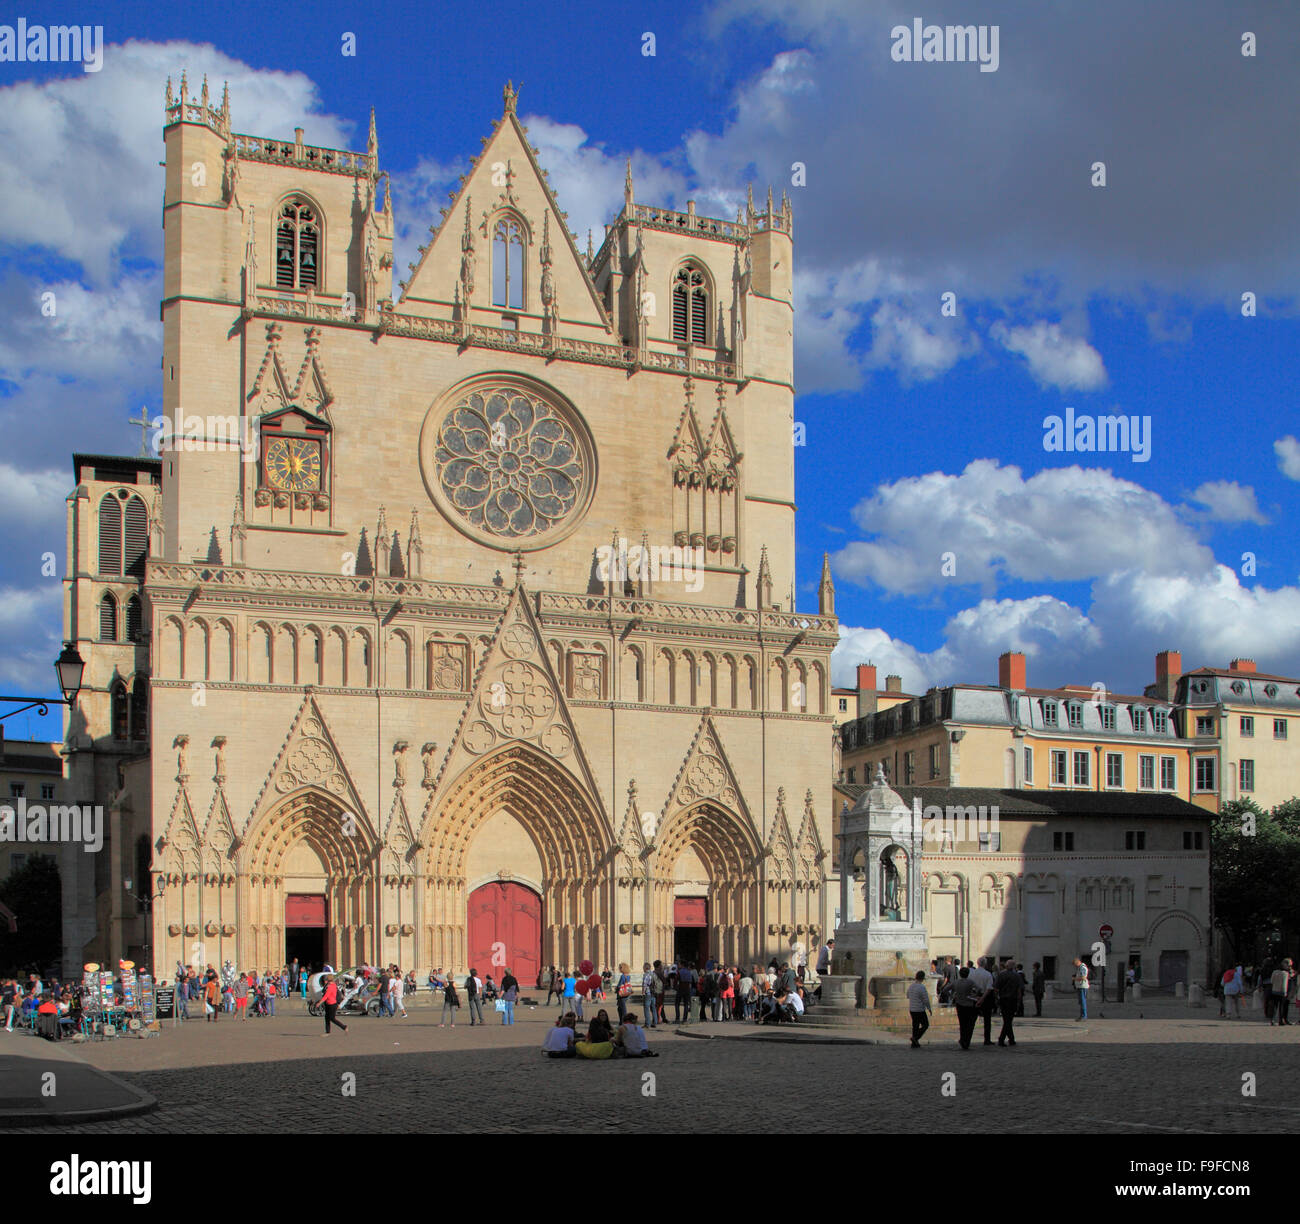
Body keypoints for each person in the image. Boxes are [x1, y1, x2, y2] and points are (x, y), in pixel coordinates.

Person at [951, 966, 980, 1050]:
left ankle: (962, 1039)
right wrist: (973, 995)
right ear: (968, 974)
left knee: (962, 1023)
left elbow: (946, 989)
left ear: (960, 974)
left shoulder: (956, 982)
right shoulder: (970, 982)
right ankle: (966, 1041)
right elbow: (979, 989)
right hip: (969, 1004)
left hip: (959, 1004)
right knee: (969, 1024)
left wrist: (953, 995)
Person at [969, 957, 996, 1045]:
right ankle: (987, 1039)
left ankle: (968, 1038)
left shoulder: (972, 973)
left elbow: (970, 986)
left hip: (974, 998)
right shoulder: (988, 974)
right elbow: (989, 989)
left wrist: (976, 998)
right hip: (985, 999)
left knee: (972, 1020)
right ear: (985, 964)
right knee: (987, 1020)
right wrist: (982, 998)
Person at [996, 959, 1021, 1047]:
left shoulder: (1001, 974)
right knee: (1008, 1020)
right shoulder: (1017, 976)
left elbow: (996, 987)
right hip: (1012, 999)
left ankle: (1011, 1039)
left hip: (1003, 999)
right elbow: (1019, 989)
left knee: (1007, 1020)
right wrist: (1019, 1001)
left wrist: (997, 998)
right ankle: (1002, 1039)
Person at [907, 970, 932, 1048]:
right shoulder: (922, 987)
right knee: (925, 1025)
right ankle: (915, 1038)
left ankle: (914, 1043)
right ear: (922, 978)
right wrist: (929, 1008)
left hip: (912, 1009)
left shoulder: (911, 986)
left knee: (915, 1026)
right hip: (919, 1009)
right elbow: (925, 999)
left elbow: (907, 995)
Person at [1269, 959, 1292, 1026]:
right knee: (1281, 1007)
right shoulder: (1285, 973)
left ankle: (1272, 1020)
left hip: (1274, 991)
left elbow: (1271, 981)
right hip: (1281, 992)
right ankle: (1280, 1020)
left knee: (1275, 1006)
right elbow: (1284, 984)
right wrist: (1285, 992)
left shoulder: (1274, 972)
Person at [1072, 956, 1090, 1021]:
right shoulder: (1080, 968)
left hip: (1082, 986)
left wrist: (1075, 979)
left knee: (1083, 1001)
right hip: (1080, 986)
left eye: (1075, 964)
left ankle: (1084, 1016)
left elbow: (1084, 977)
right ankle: (1082, 1015)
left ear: (1078, 962)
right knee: (1081, 1001)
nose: (1075, 966)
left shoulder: (1083, 967)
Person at [641, 963, 657, 1028]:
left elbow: (645, 984)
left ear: (645, 968)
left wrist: (643, 992)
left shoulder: (646, 974)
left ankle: (647, 1023)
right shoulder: (653, 974)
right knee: (653, 1008)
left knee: (646, 1008)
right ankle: (655, 1022)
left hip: (648, 993)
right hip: (654, 992)